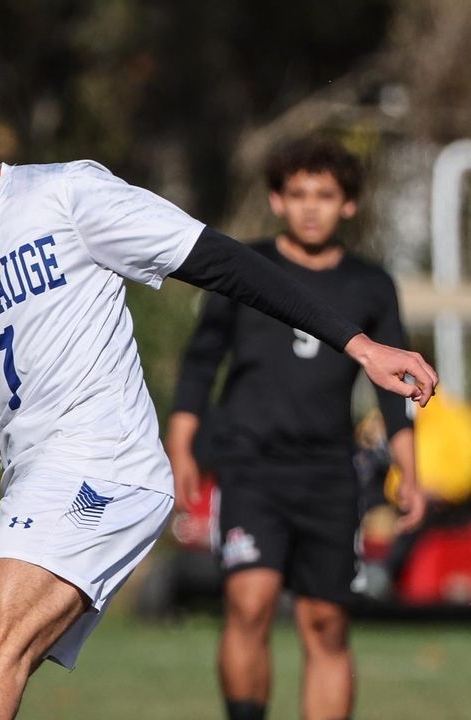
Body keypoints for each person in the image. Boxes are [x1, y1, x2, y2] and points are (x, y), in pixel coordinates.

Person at [0, 10, 437, 720]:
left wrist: (358, 343)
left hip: (104, 467)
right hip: (27, 488)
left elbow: (225, 262)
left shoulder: (66, 197)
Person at [166, 137, 426, 720]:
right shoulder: (243, 270)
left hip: (331, 474)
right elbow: (201, 362)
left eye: (325, 195)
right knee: (250, 602)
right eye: (298, 194)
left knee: (326, 621)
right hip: (251, 467)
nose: (312, 207)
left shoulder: (371, 285)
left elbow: (395, 389)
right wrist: (181, 442)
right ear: (277, 201)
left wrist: (410, 470)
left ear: (349, 205)